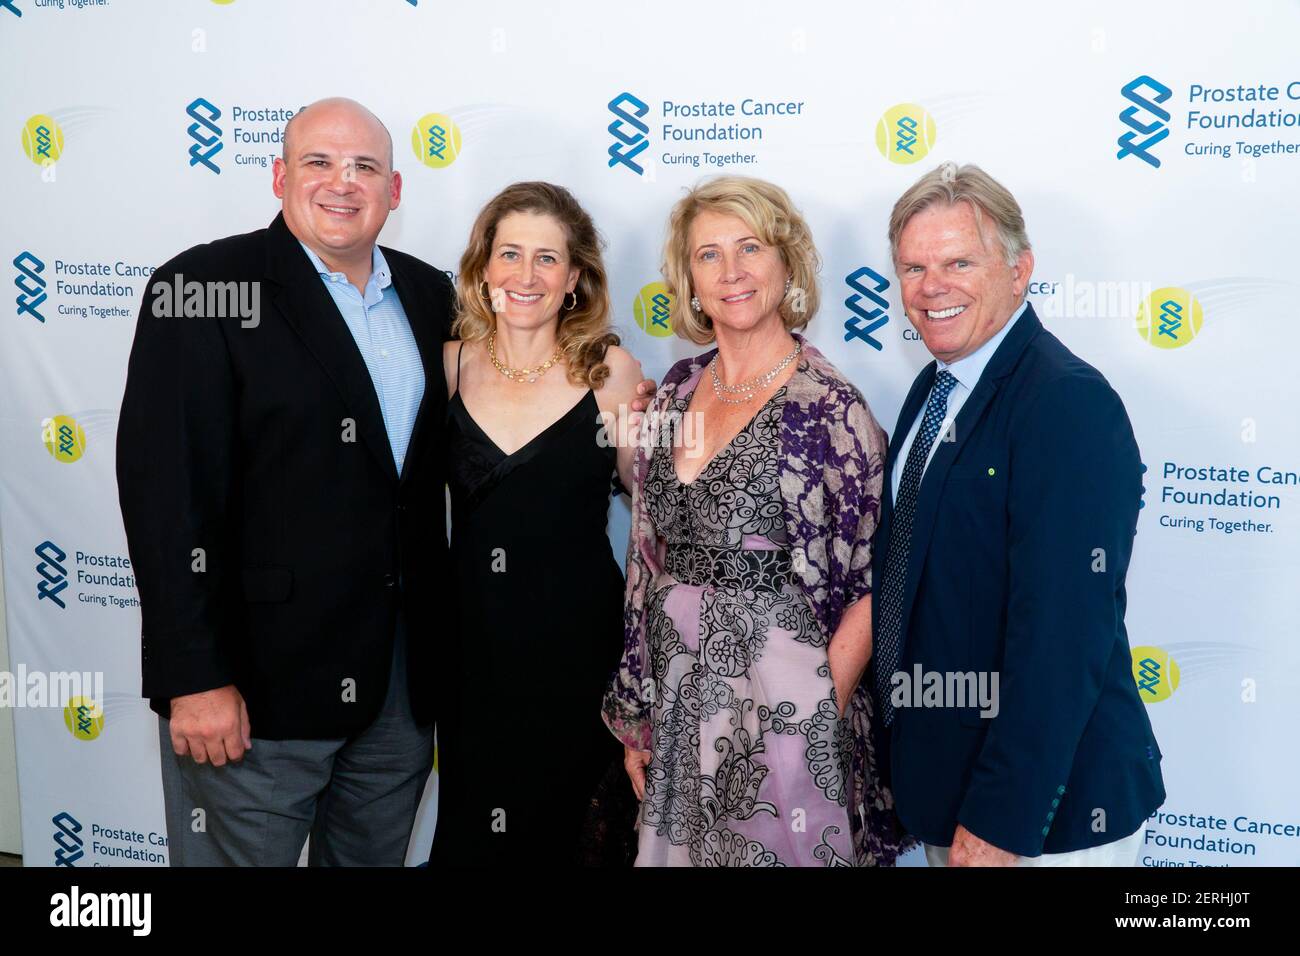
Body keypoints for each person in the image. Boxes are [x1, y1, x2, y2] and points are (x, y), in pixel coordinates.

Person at [117, 97, 453, 865]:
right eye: (319, 162)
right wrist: (193, 676)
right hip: (252, 694)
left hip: (398, 698)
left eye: (366, 166)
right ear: (278, 177)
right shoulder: (202, 285)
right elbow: (166, 495)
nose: (343, 182)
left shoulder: (432, 296)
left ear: (395, 191)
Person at [603, 175, 910, 866]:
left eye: (750, 248)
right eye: (708, 255)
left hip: (785, 704)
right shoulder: (677, 386)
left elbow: (875, 576)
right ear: (688, 278)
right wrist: (639, 711)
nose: (731, 271)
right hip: (679, 702)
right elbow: (644, 559)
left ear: (787, 262)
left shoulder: (829, 408)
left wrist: (814, 707)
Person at [871, 161, 1165, 867]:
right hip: (951, 791)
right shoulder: (933, 390)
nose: (931, 286)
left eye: (958, 262)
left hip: (1046, 819)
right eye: (913, 268)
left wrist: (1005, 819)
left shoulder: (1065, 403)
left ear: (1019, 268)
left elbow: (1063, 636)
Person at [430, 182, 644, 866]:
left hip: (579, 658)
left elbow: (652, 511)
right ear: (483, 267)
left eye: (547, 259)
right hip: (472, 656)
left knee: (572, 838)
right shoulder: (450, 366)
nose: (526, 276)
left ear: (575, 276)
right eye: (510, 254)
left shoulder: (612, 373)